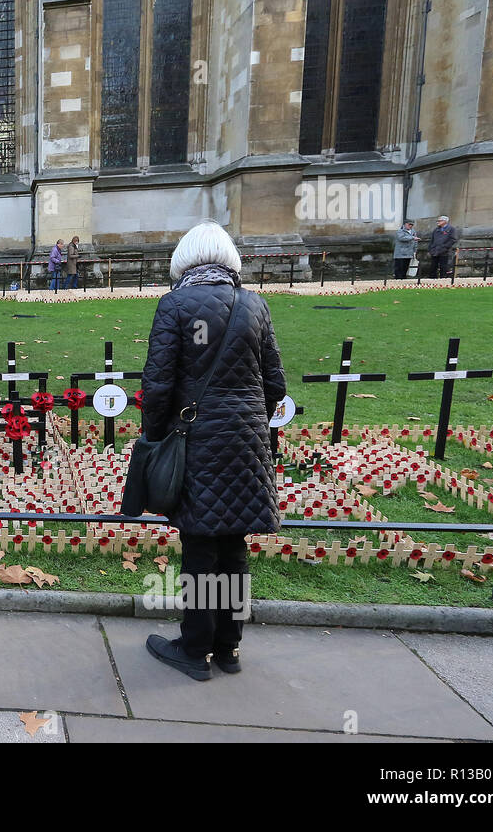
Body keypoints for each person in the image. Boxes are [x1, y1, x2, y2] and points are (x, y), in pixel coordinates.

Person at [136, 220, 286, 681]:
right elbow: (275, 383)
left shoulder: (175, 305)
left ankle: (194, 649)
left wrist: (154, 436)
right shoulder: (253, 305)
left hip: (199, 440)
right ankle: (228, 648)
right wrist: (247, 420)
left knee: (200, 545)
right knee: (234, 544)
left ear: (183, 260)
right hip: (248, 443)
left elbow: (158, 385)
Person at [427, 215, 457, 279]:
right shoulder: (436, 230)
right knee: (433, 266)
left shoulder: (451, 229)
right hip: (434, 250)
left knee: (443, 267)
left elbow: (453, 239)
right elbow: (432, 240)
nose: (438, 222)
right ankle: (432, 280)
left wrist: (445, 247)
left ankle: (443, 280)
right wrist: (430, 249)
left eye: (440, 221)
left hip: (444, 251)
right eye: (438, 221)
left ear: (445, 221)